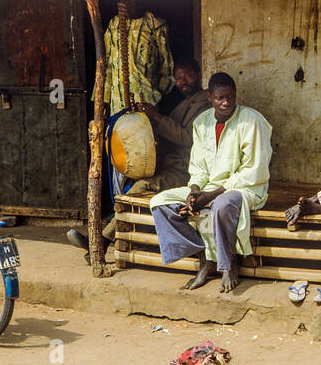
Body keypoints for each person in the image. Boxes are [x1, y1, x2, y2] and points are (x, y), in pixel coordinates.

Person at [67, 60, 212, 257]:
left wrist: (158, 117)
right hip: (170, 165)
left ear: (199, 74)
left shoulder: (204, 104)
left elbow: (187, 138)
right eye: (178, 78)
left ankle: (103, 241)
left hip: (185, 171)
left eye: (188, 76)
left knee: (140, 187)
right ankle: (111, 235)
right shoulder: (182, 101)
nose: (182, 81)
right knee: (128, 182)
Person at [148, 73, 272, 293]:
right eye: (220, 98)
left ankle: (227, 265)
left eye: (230, 97)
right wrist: (195, 191)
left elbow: (254, 171)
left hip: (245, 189)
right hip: (209, 188)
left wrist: (211, 194)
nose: (226, 103)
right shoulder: (202, 122)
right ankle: (205, 256)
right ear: (209, 97)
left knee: (223, 204)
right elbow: (198, 166)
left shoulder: (252, 121)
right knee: (160, 202)